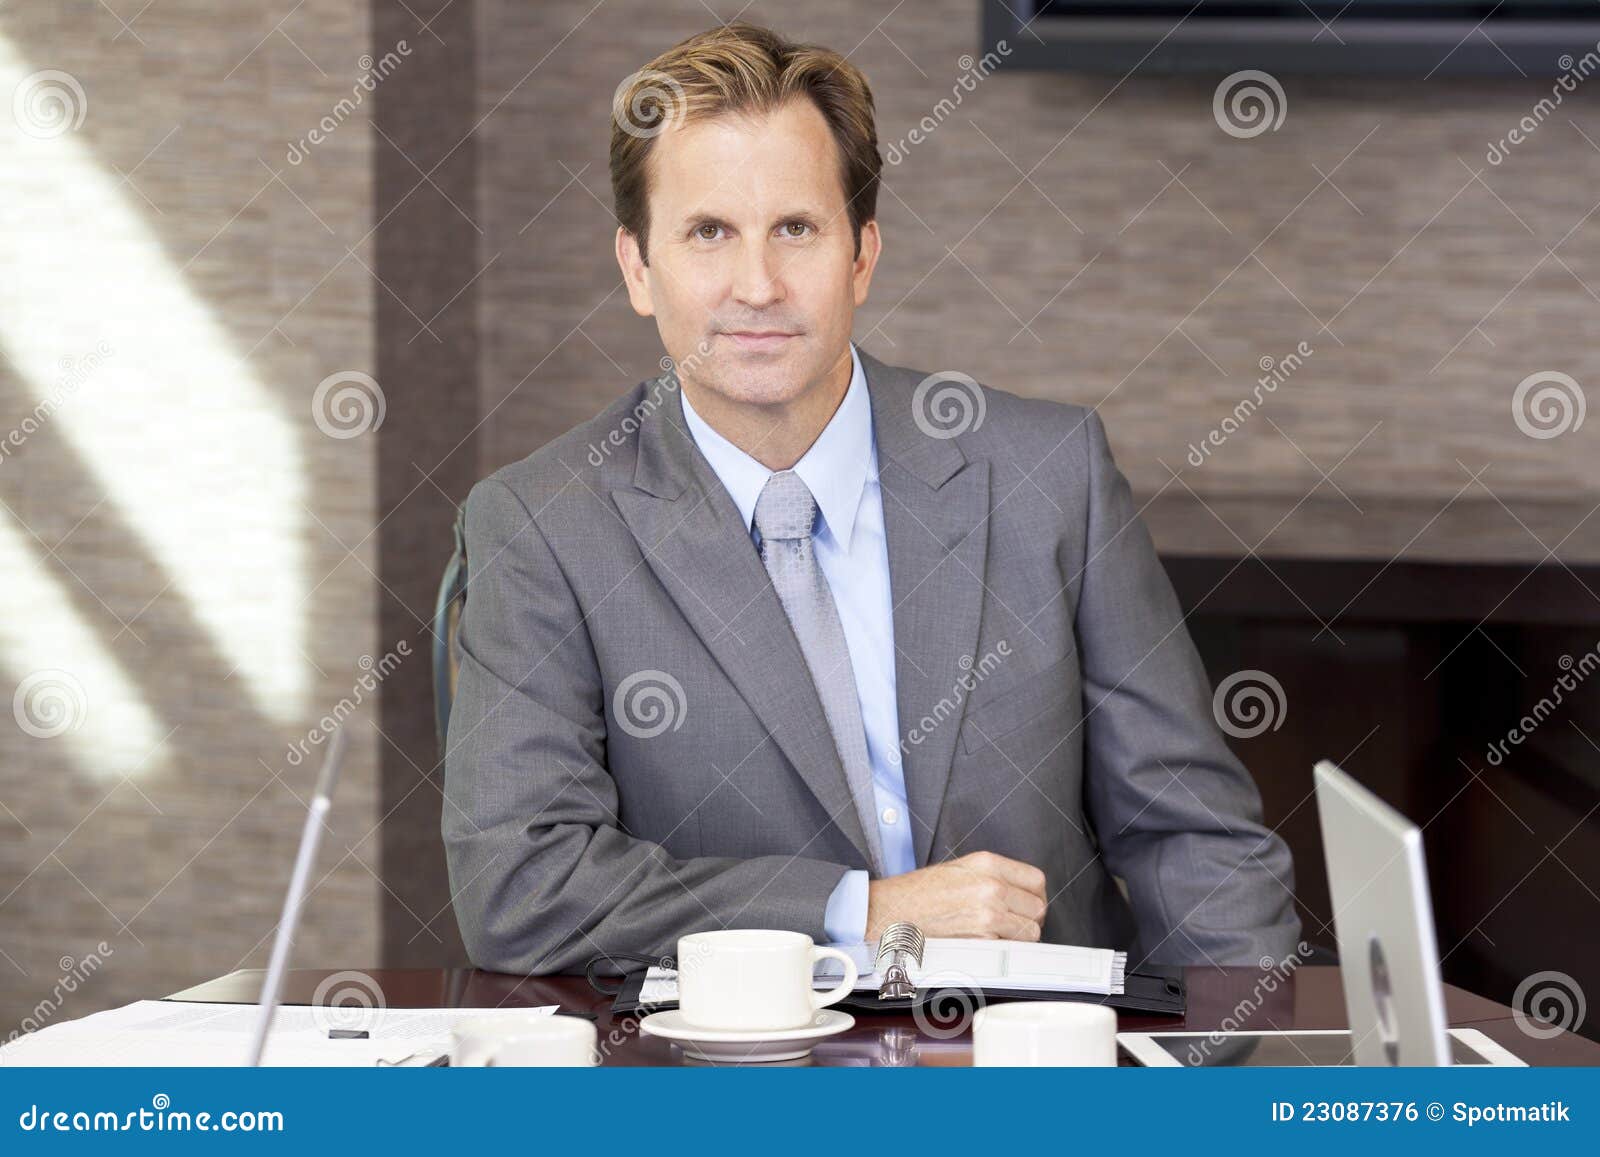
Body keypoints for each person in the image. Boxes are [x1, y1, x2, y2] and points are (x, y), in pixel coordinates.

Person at [442, 22, 1300, 975]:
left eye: (796, 229)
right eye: (709, 233)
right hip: (730, 1087)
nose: (757, 286)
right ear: (639, 269)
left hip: (1032, 1082)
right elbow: (522, 885)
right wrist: (864, 910)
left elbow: (1197, 844)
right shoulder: (542, 525)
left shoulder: (1049, 475)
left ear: (862, 254)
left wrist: (1207, 1096)